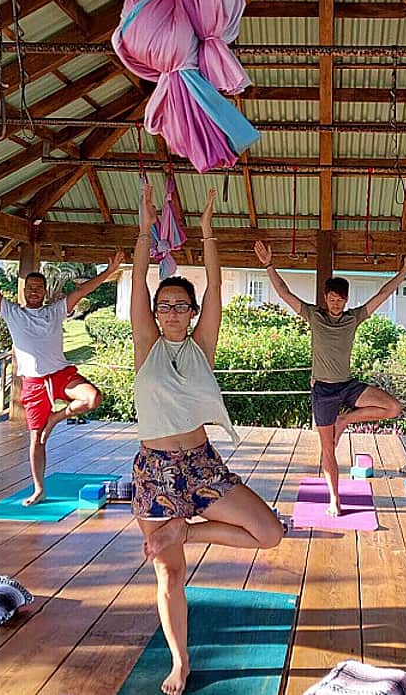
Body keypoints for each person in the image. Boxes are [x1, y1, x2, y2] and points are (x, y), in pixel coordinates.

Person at [131, 184, 283, 695]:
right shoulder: (146, 345)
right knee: (169, 576)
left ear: (193, 313)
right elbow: (137, 282)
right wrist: (144, 229)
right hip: (155, 472)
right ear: (155, 312)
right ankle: (180, 661)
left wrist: (207, 231)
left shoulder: (203, 345)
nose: (172, 312)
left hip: (202, 466)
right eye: (164, 306)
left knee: (270, 533)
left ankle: (186, 531)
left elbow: (216, 285)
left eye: (182, 306)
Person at [254, 241, 406, 516]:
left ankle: (345, 420)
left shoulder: (353, 318)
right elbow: (284, 293)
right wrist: (268, 264)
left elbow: (382, 294)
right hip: (323, 391)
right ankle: (335, 499)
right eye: (332, 298)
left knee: (393, 407)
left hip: (347, 385)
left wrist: (404, 271)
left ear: (346, 300)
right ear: (325, 297)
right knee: (328, 448)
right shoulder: (313, 315)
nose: (336, 303)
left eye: (340, 299)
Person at [0, 241, 124, 506]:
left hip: (60, 375)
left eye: (38, 288)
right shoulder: (12, 312)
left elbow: (82, 290)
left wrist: (110, 270)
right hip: (34, 383)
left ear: (45, 292)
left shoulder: (55, 311)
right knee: (36, 439)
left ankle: (55, 418)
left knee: (93, 398)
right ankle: (38, 489)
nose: (34, 292)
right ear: (23, 291)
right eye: (30, 288)